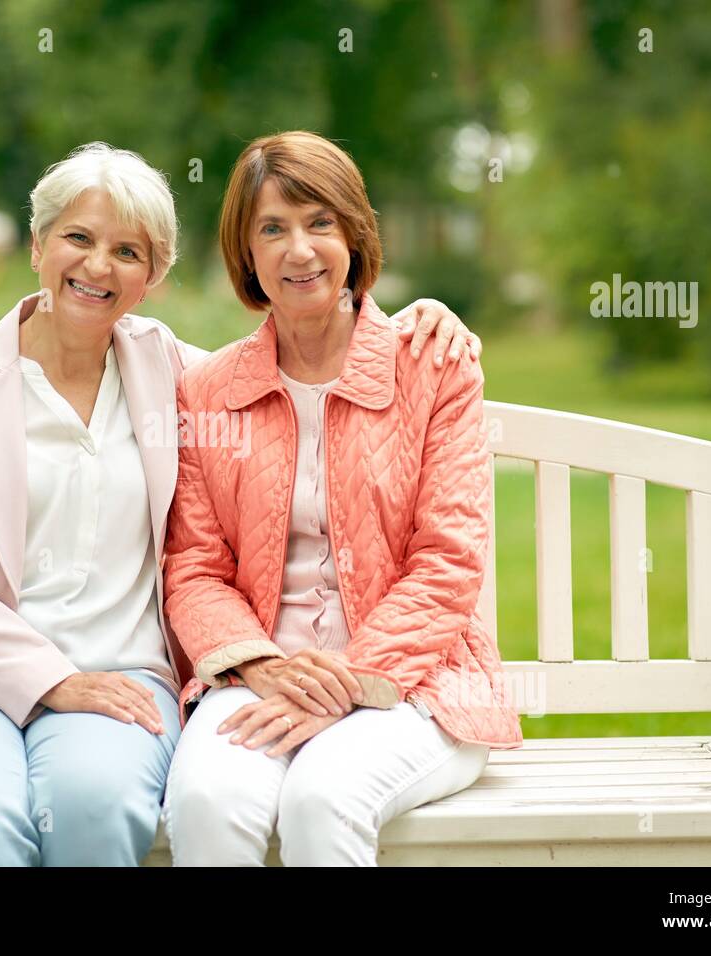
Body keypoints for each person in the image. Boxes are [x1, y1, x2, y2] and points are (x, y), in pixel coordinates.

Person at [0, 141, 482, 866]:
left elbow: (328, 342)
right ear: (36, 245)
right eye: (78, 239)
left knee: (95, 805)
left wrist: (423, 316)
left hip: (122, 680)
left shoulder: (175, 374)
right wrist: (54, 681)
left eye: (128, 250)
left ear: (152, 275)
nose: (97, 267)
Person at [161, 131, 524, 866]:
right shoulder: (207, 390)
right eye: (273, 228)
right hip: (259, 672)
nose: (300, 250)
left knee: (323, 798)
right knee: (203, 801)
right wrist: (265, 668)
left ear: (354, 237)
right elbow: (195, 568)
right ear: (246, 254)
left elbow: (448, 561)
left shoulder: (433, 365)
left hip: (415, 680)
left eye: (320, 222)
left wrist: (350, 680)